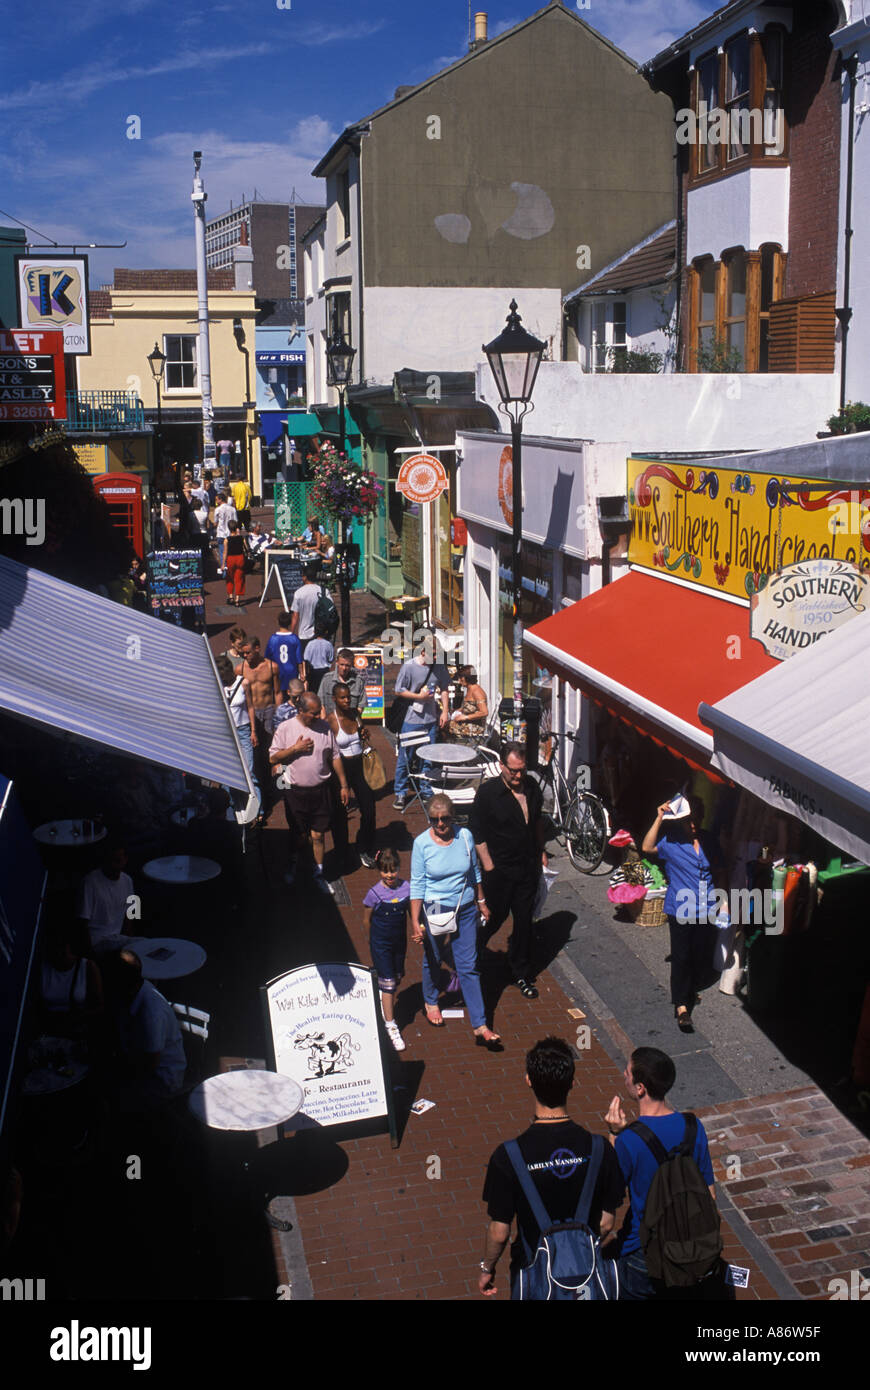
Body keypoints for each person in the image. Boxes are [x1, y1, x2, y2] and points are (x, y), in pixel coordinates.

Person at [480, 1036, 624, 1298]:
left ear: (528, 1080)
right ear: (572, 1083)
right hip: (586, 1277)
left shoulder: (507, 1156)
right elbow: (606, 1223)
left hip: (534, 1275)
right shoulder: (599, 1149)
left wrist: (486, 1267)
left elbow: (500, 1233)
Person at [604, 1047, 719, 1300]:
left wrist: (614, 1134)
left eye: (627, 1073)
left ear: (640, 1088)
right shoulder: (693, 1126)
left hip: (642, 1250)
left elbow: (610, 1193)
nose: (624, 1076)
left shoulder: (630, 1140)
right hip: (688, 1248)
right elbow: (709, 1195)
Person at [409, 793, 499, 1046]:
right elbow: (417, 884)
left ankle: (480, 1024)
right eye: (434, 819)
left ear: (453, 816)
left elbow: (473, 871)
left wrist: (481, 901)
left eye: (445, 819)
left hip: (465, 906)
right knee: (434, 958)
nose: (440, 824)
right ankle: (430, 1000)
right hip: (435, 906)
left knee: (468, 965)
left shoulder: (465, 836)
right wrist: (415, 920)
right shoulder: (421, 844)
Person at [470, 742, 548, 1001]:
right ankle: (471, 954)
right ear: (501, 765)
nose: (517, 776)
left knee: (524, 921)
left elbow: (536, 821)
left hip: (527, 866)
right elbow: (476, 832)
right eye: (512, 771)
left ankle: (521, 972)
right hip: (500, 870)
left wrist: (542, 850)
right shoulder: (488, 793)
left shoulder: (533, 788)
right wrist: (488, 865)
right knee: (493, 917)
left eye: (521, 771)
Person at [641, 795, 725, 1033]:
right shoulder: (670, 841)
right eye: (688, 821)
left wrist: (725, 902)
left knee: (698, 953)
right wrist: (658, 817)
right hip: (680, 908)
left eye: (695, 819)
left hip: (706, 907)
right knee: (680, 956)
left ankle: (689, 990)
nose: (692, 825)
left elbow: (720, 871)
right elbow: (647, 846)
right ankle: (681, 1007)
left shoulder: (709, 840)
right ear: (680, 821)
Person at [269, 691, 349, 895]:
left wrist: (343, 785)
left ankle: (318, 874)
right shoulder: (286, 728)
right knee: (299, 835)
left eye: (319, 711)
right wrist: (295, 749)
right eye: (313, 713)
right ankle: (293, 863)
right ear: (300, 710)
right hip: (294, 791)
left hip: (320, 791)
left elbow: (335, 756)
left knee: (319, 835)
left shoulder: (324, 728)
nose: (318, 716)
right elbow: (273, 757)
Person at [102, 949, 187, 1112]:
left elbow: (149, 1065)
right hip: (140, 1066)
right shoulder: (134, 990)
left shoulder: (151, 1012)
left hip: (161, 1083)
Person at [362, 849, 410, 1052]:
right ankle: (390, 1025)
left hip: (399, 943)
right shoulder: (374, 894)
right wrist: (372, 941)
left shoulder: (407, 888)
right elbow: (367, 919)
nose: (390, 875)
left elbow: (413, 911)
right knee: (389, 984)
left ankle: (384, 997)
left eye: (393, 870)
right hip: (381, 943)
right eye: (385, 871)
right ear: (379, 871)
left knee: (397, 978)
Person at [392, 648, 450, 812]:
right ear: (422, 651)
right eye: (432, 653)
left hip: (430, 719)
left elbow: (444, 687)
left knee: (428, 758)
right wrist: (419, 697)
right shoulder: (409, 666)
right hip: (411, 719)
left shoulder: (439, 666)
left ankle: (425, 789)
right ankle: (401, 792)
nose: (434, 657)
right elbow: (398, 690)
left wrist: (445, 711)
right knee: (406, 756)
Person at [327, 681, 377, 870]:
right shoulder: (331, 720)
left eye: (348, 696)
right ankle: (342, 851)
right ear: (334, 699)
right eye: (343, 697)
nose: (347, 700)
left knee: (369, 809)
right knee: (340, 814)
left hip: (359, 766)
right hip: (341, 769)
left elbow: (362, 732)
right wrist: (341, 783)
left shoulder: (355, 714)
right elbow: (329, 750)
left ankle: (363, 847)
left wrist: (364, 733)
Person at [39, 917, 103, 1038]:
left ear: (69, 947)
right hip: (47, 1031)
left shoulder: (88, 967)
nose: (58, 953)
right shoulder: (42, 968)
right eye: (54, 948)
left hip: (76, 1031)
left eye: (62, 947)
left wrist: (75, 1019)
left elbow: (99, 1006)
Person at [240, 636, 281, 814]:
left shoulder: (272, 667)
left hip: (268, 711)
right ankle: (260, 790)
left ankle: (269, 788)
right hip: (251, 712)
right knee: (254, 751)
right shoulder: (240, 668)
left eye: (248, 652)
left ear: (258, 648)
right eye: (243, 653)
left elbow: (278, 692)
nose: (246, 656)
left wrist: (279, 715)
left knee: (269, 751)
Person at [76, 843, 135, 957]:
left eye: (117, 861)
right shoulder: (90, 882)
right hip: (98, 942)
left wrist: (130, 943)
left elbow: (130, 915)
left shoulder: (128, 880)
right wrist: (90, 954)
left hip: (118, 940)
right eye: (110, 860)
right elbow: (82, 922)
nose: (114, 865)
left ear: (125, 860)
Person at [216, 653, 257, 791]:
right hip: (227, 733)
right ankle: (232, 806)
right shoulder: (218, 685)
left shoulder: (244, 683)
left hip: (243, 730)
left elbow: (250, 707)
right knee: (229, 772)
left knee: (248, 771)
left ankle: (257, 808)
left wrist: (253, 731)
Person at [319, 648, 369, 717]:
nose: (344, 668)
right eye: (341, 664)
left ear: (352, 665)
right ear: (337, 662)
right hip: (330, 722)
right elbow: (321, 704)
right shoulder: (327, 679)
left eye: (347, 665)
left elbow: (361, 706)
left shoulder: (358, 681)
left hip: (350, 722)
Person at [265, 611, 304, 695]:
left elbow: (267, 658)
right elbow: (299, 660)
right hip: (291, 672)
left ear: (278, 622)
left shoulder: (273, 639)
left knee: (278, 694)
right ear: (290, 623)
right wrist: (302, 674)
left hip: (277, 672)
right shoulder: (294, 639)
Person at [447, 666, 489, 744]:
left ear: (467, 678)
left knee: (446, 726)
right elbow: (467, 706)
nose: (459, 681)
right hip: (470, 722)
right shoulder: (470, 689)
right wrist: (455, 711)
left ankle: (454, 749)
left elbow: (484, 712)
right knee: (445, 722)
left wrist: (465, 717)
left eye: (461, 678)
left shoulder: (477, 692)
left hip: (476, 726)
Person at [290, 564, 325, 656]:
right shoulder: (323, 591)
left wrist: (291, 633)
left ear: (304, 577)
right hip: (320, 633)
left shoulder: (299, 593)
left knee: (304, 660)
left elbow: (295, 616)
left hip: (304, 634)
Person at [223, 520, 249, 607]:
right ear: (236, 528)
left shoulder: (227, 540)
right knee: (239, 579)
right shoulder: (241, 538)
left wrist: (223, 564)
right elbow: (246, 548)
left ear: (229, 528)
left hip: (231, 558)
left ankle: (231, 596)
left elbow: (225, 553)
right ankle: (237, 599)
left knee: (230, 578)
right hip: (240, 558)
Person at [304, 625, 335, 694]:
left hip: (313, 672)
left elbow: (306, 659)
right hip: (324, 672)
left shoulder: (310, 644)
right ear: (325, 633)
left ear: (314, 632)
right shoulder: (328, 644)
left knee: (313, 692)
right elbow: (331, 659)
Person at [214, 491, 237, 571]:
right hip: (230, 533)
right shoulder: (232, 509)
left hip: (221, 533)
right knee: (231, 552)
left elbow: (215, 522)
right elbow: (235, 521)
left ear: (220, 500)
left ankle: (224, 570)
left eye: (217, 500)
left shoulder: (217, 509)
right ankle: (231, 569)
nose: (216, 502)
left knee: (222, 552)